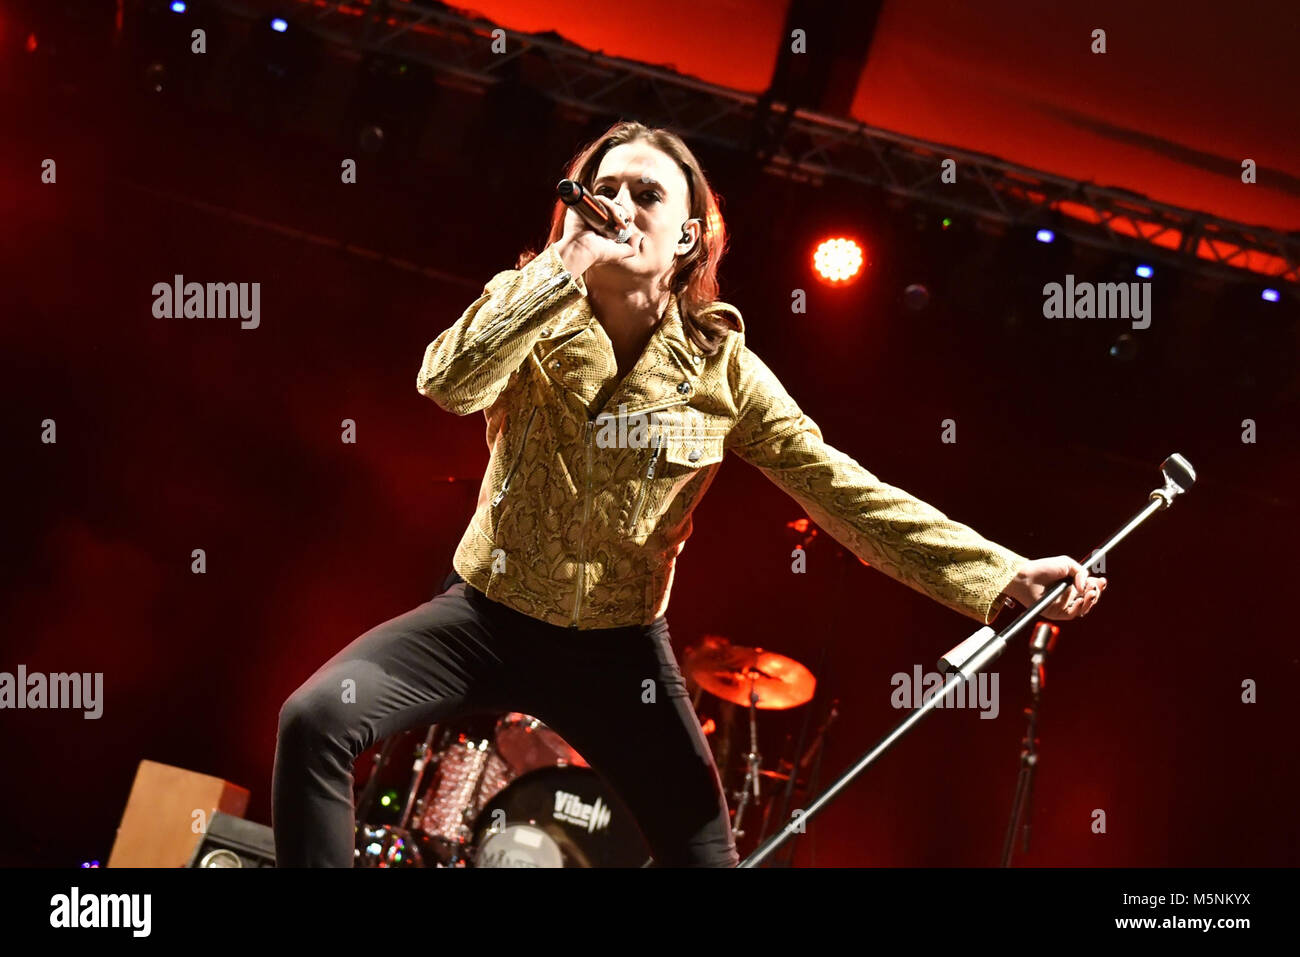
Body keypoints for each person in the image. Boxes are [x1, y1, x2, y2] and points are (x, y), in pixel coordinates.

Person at [271, 120, 1106, 869]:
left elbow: (845, 493)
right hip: (483, 618)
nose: (620, 205)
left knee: (708, 859)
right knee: (313, 720)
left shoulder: (724, 372)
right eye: (603, 190)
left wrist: (1001, 576)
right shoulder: (525, 303)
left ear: (688, 236)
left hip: (618, 653)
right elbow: (446, 383)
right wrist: (562, 267)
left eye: (646, 193)